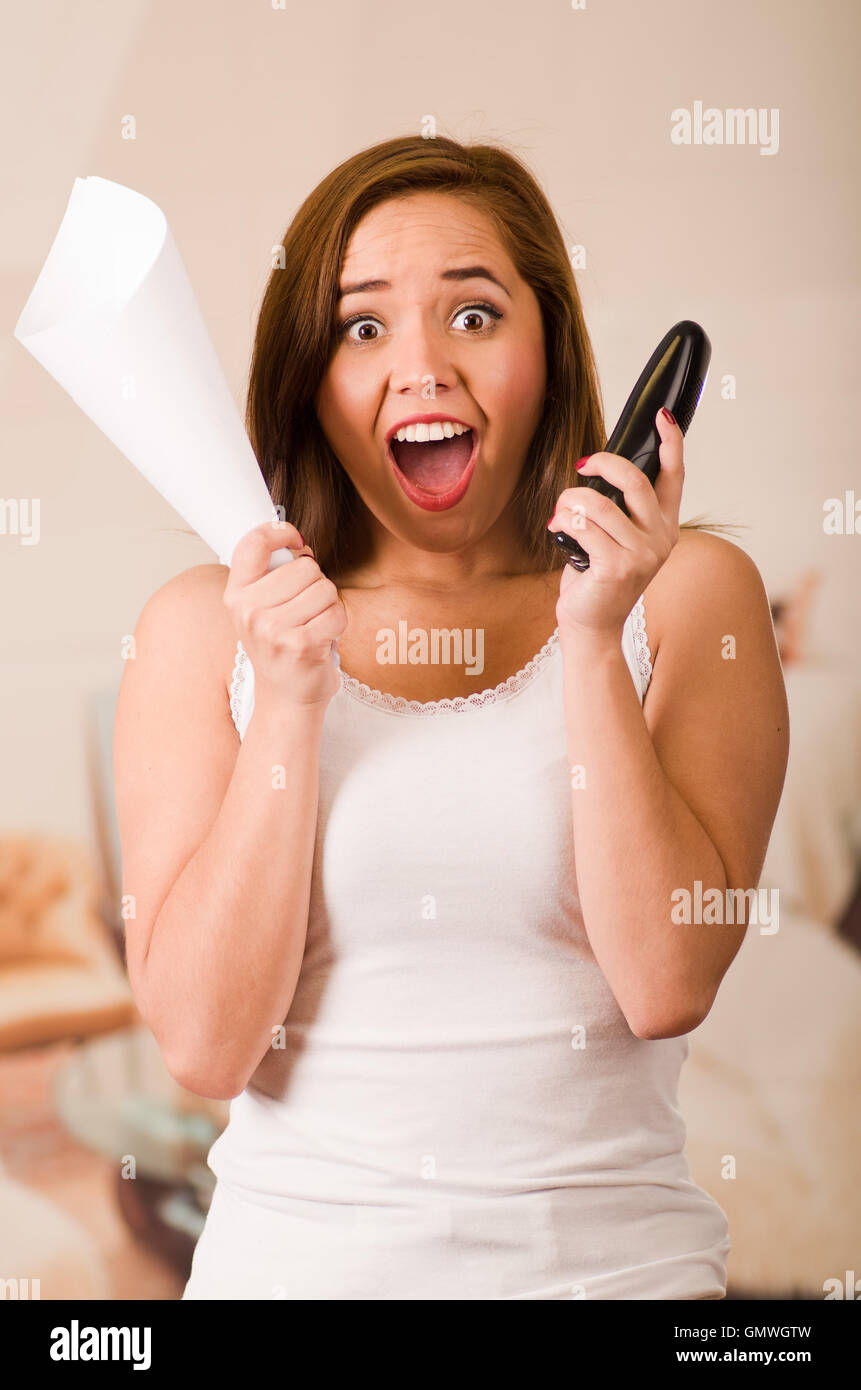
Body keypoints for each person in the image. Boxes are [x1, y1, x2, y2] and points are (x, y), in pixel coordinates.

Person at [113, 135, 789, 1300]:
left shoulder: (689, 598)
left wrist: (588, 636)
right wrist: (286, 703)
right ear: (309, 378)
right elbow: (205, 1046)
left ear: (549, 343)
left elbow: (665, 980)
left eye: (473, 315)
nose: (421, 367)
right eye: (364, 327)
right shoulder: (202, 628)